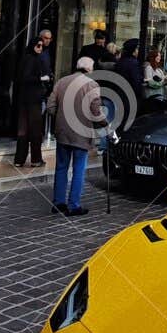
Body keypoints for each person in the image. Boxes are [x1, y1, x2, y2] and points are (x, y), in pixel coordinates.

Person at [47, 55, 105, 215]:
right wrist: (105, 124)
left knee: (61, 168)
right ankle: (74, 205)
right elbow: (96, 111)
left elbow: (51, 106)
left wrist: (61, 119)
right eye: (92, 68)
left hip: (63, 132)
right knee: (79, 169)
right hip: (82, 132)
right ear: (88, 69)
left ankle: (59, 203)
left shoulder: (61, 82)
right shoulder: (92, 84)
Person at [12, 28, 53, 168]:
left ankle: (19, 159)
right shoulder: (32, 59)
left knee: (23, 130)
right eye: (38, 45)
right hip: (33, 99)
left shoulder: (26, 57)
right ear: (33, 45)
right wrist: (41, 78)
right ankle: (35, 159)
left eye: (42, 45)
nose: (40, 48)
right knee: (35, 130)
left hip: (26, 98)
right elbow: (25, 77)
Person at [112, 38, 144, 118]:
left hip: (119, 95)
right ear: (133, 50)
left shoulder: (120, 61)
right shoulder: (133, 63)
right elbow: (136, 82)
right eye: (137, 49)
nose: (138, 51)